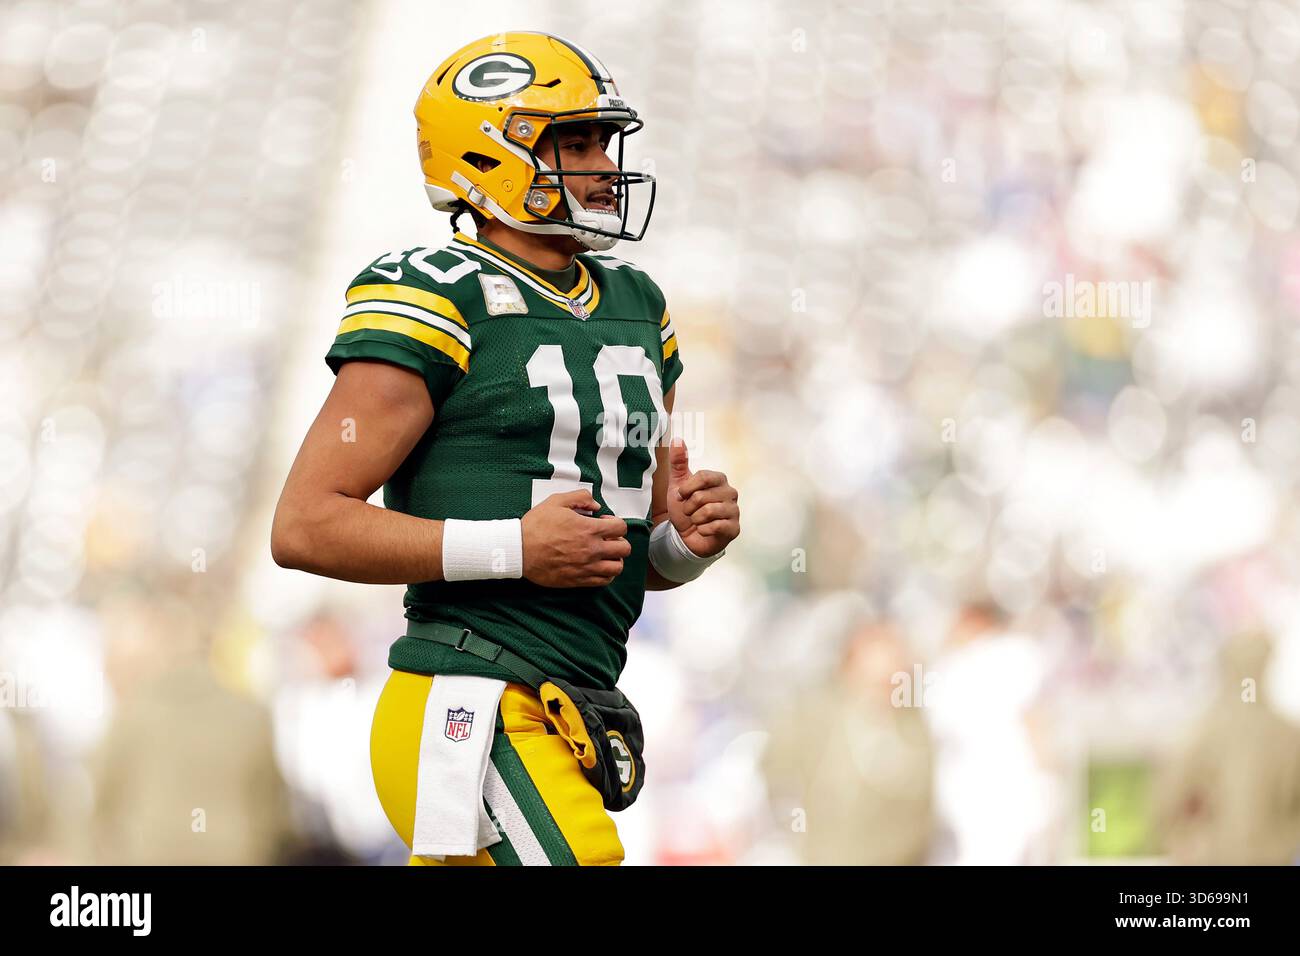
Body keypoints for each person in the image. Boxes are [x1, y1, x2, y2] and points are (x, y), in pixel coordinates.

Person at [271, 32, 740, 866]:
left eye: (604, 140)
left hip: (572, 703)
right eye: (574, 142)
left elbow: (621, 554)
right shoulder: (433, 291)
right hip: (471, 699)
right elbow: (305, 525)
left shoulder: (637, 302)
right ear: (488, 159)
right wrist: (515, 547)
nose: (602, 164)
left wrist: (683, 545)